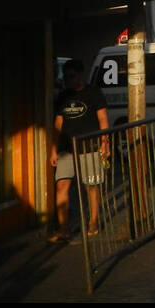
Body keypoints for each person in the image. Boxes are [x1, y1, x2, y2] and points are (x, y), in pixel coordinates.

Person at [49, 60, 109, 244]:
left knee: (91, 186)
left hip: (89, 147)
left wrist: (105, 144)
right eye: (66, 77)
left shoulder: (93, 93)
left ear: (80, 75)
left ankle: (93, 222)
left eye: (72, 76)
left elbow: (103, 120)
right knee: (62, 186)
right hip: (67, 150)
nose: (68, 80)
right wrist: (54, 150)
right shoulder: (63, 96)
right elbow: (58, 124)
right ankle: (64, 228)